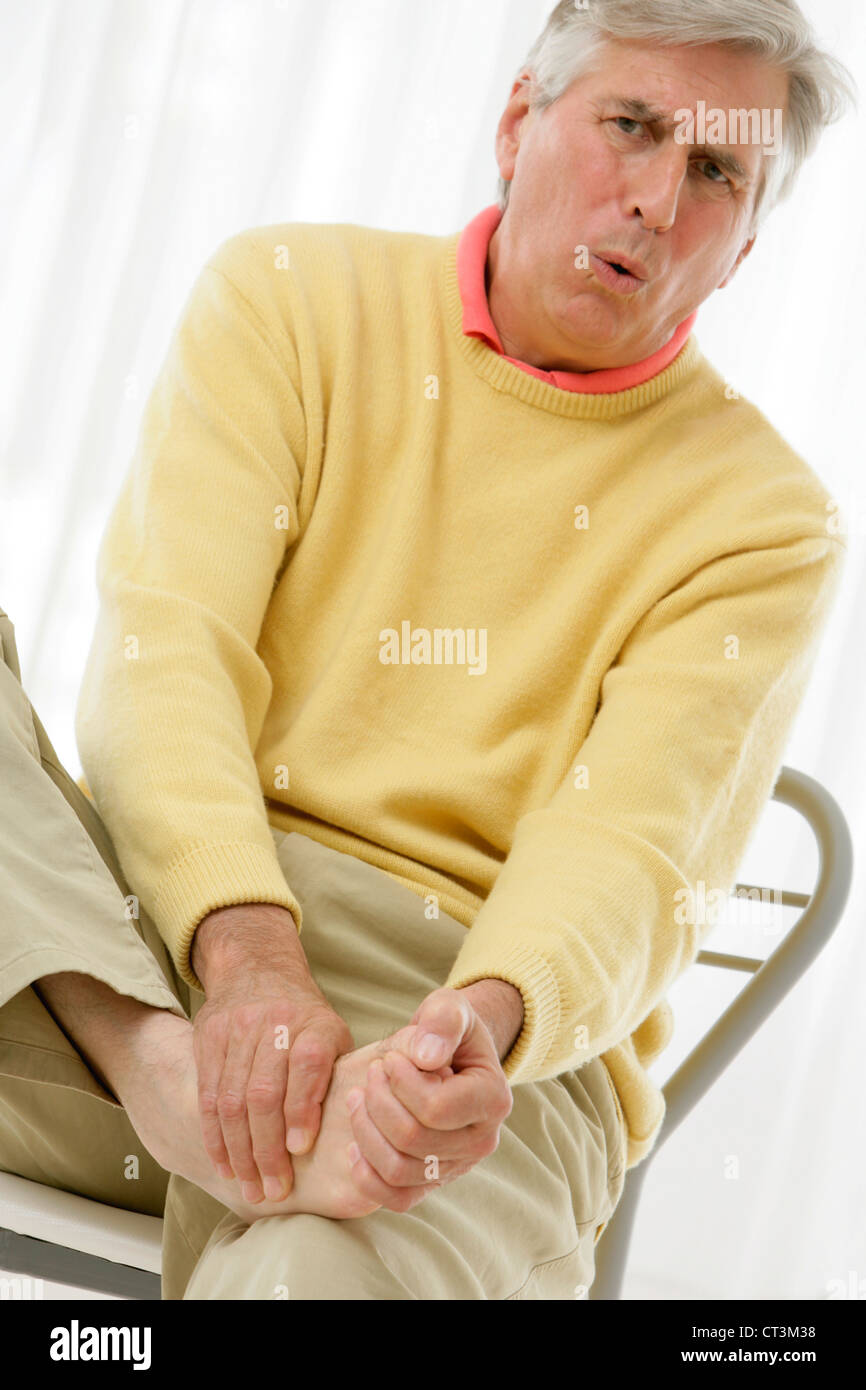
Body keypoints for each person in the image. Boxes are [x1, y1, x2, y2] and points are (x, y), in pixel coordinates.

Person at [0, 0, 856, 1300]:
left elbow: (625, 849)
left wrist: (463, 1036)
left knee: (304, 1273)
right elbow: (168, 660)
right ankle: (163, 1080)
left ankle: (238, 1133)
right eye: (631, 127)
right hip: (141, 960)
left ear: (742, 245)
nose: (653, 201)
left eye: (715, 174)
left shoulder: (763, 520)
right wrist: (242, 976)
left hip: (460, 1059)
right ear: (518, 122)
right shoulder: (289, 299)